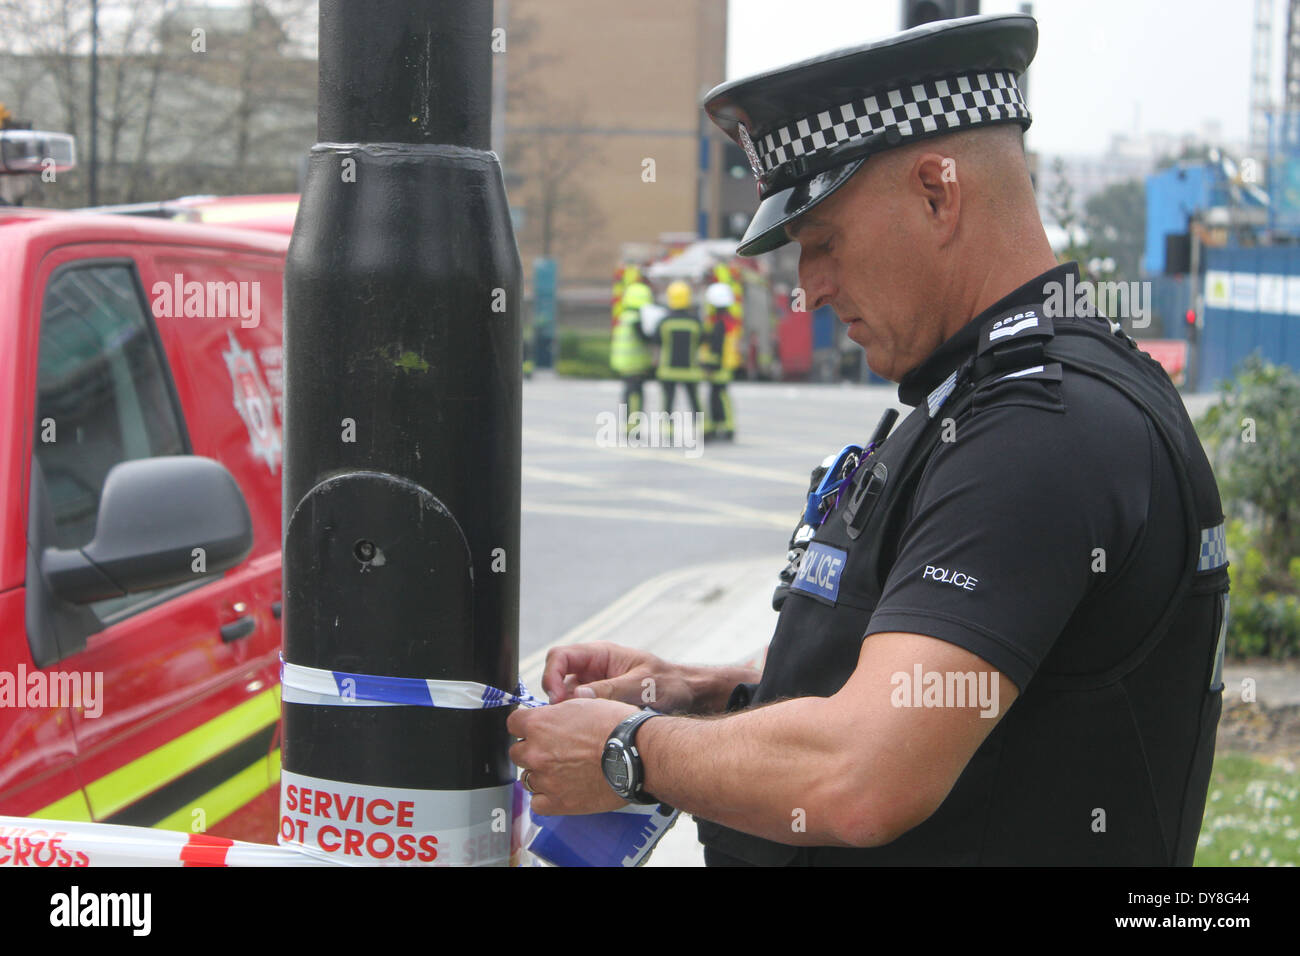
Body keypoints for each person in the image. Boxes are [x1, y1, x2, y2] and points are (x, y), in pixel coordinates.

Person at [508, 13, 1228, 866]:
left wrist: (629, 753)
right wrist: (704, 692)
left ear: (937, 192)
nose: (808, 290)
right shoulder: (995, 395)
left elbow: (863, 773)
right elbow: (909, 673)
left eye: (824, 243)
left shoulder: (1042, 430)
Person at [654, 280, 703, 438]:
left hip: (668, 370)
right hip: (690, 371)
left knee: (668, 403)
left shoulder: (664, 322)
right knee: (695, 402)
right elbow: (702, 340)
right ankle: (703, 429)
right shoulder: (695, 322)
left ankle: (668, 432)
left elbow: (655, 340)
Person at [608, 281, 654, 432]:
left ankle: (629, 425)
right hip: (635, 365)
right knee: (635, 396)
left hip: (624, 364)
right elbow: (646, 339)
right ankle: (634, 427)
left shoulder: (624, 316)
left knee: (628, 394)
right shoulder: (637, 319)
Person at [699, 281, 741, 441]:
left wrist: (710, 365)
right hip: (726, 364)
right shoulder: (728, 320)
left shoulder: (719, 323)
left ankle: (721, 427)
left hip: (719, 365)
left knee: (717, 396)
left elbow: (716, 347)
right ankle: (725, 426)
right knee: (720, 395)